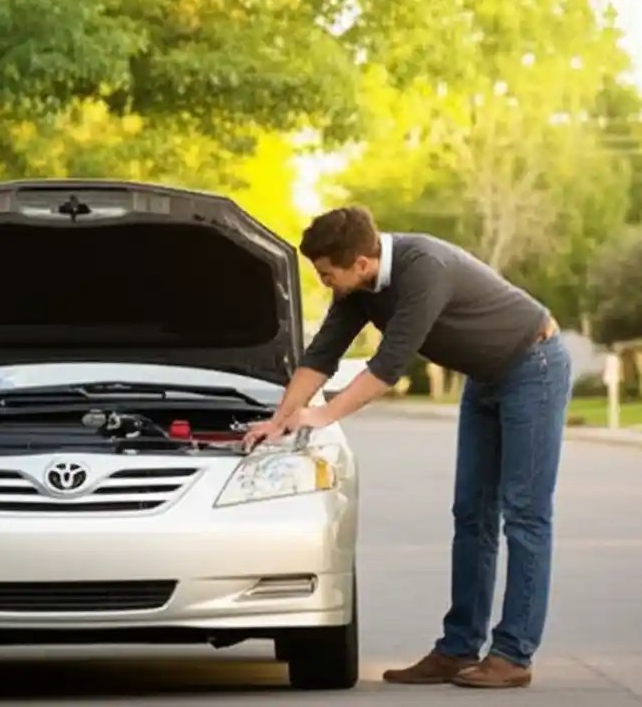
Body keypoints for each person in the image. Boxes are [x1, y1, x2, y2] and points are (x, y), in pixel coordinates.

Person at [244, 206, 572, 689]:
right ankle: (458, 649)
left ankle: (513, 653)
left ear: (359, 263)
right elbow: (323, 354)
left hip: (532, 367)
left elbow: (388, 365)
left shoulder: (424, 269)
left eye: (327, 274)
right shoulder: (361, 287)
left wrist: (324, 414)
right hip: (486, 378)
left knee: (524, 513)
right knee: (471, 513)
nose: (325, 283)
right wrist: (280, 419)